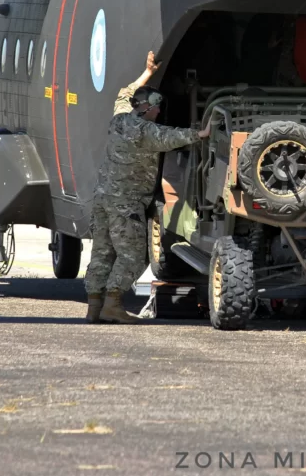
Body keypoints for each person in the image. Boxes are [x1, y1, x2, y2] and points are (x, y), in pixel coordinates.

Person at [85, 51, 212, 324]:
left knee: (102, 253)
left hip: (102, 200)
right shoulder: (146, 131)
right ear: (145, 108)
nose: (158, 111)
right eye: (156, 107)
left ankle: (94, 306)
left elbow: (124, 94)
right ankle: (113, 304)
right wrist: (201, 134)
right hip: (126, 204)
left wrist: (148, 73)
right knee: (133, 255)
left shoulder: (119, 119)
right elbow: (171, 137)